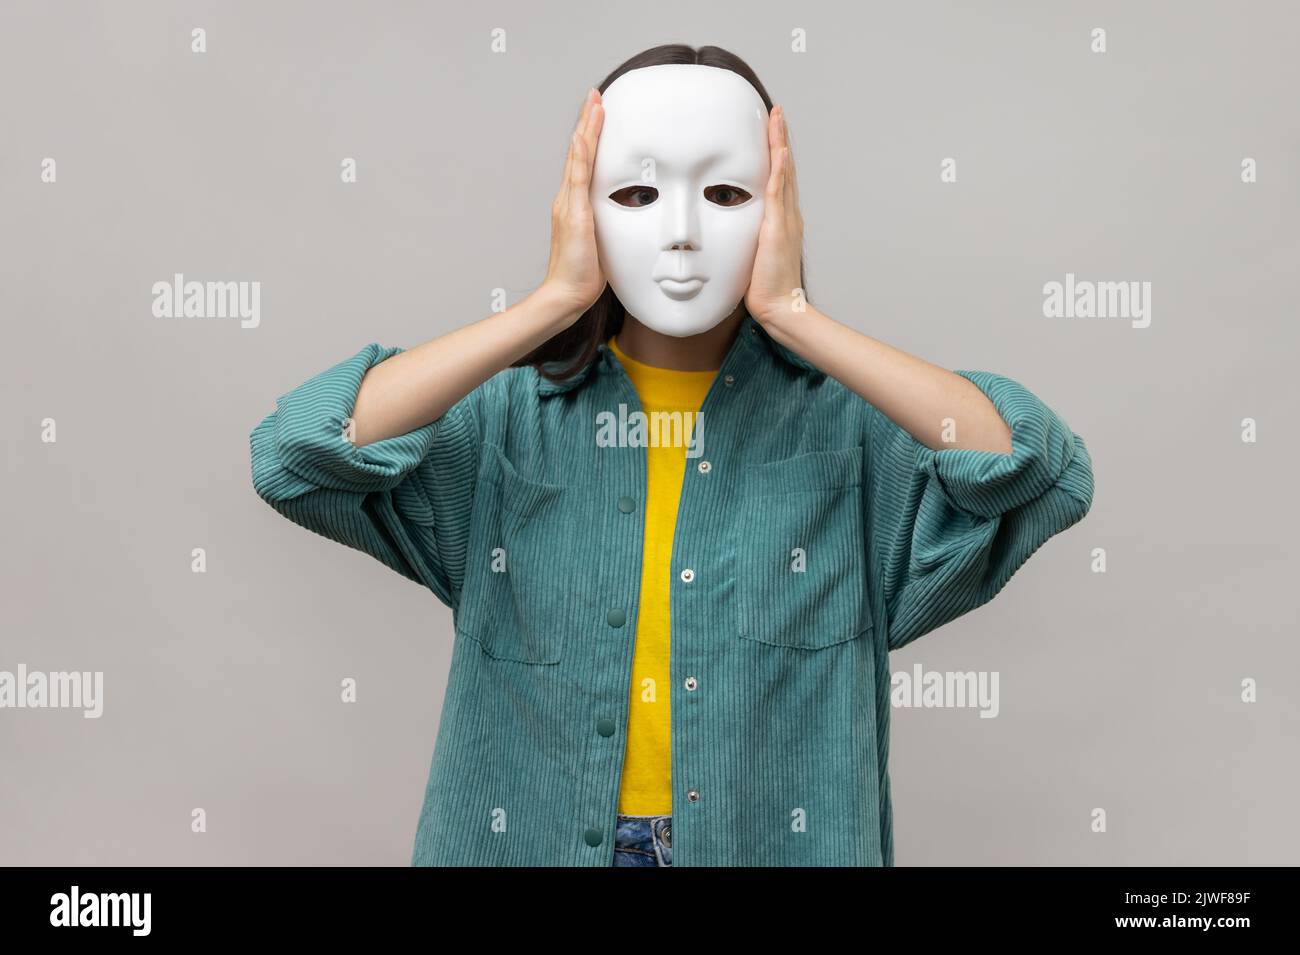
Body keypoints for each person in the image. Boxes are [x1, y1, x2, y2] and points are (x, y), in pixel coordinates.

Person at [248, 43, 1095, 867]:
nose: (682, 232)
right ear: (581, 206)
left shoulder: (849, 434)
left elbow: (1033, 470)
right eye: (637, 191)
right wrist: (552, 300)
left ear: (780, 211)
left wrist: (795, 313)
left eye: (727, 192)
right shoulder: (505, 424)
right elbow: (299, 451)